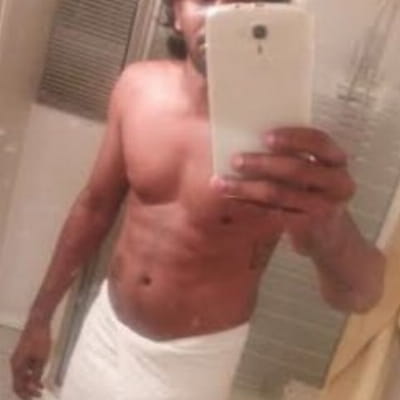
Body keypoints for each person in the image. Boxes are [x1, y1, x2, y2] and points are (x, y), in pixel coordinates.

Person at [10, 0, 386, 399]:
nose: (221, 13)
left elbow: (361, 294)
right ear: (176, 14)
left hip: (191, 364)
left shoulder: (287, 143)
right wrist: (39, 318)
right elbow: (94, 207)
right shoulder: (137, 88)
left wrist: (331, 229)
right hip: (105, 331)